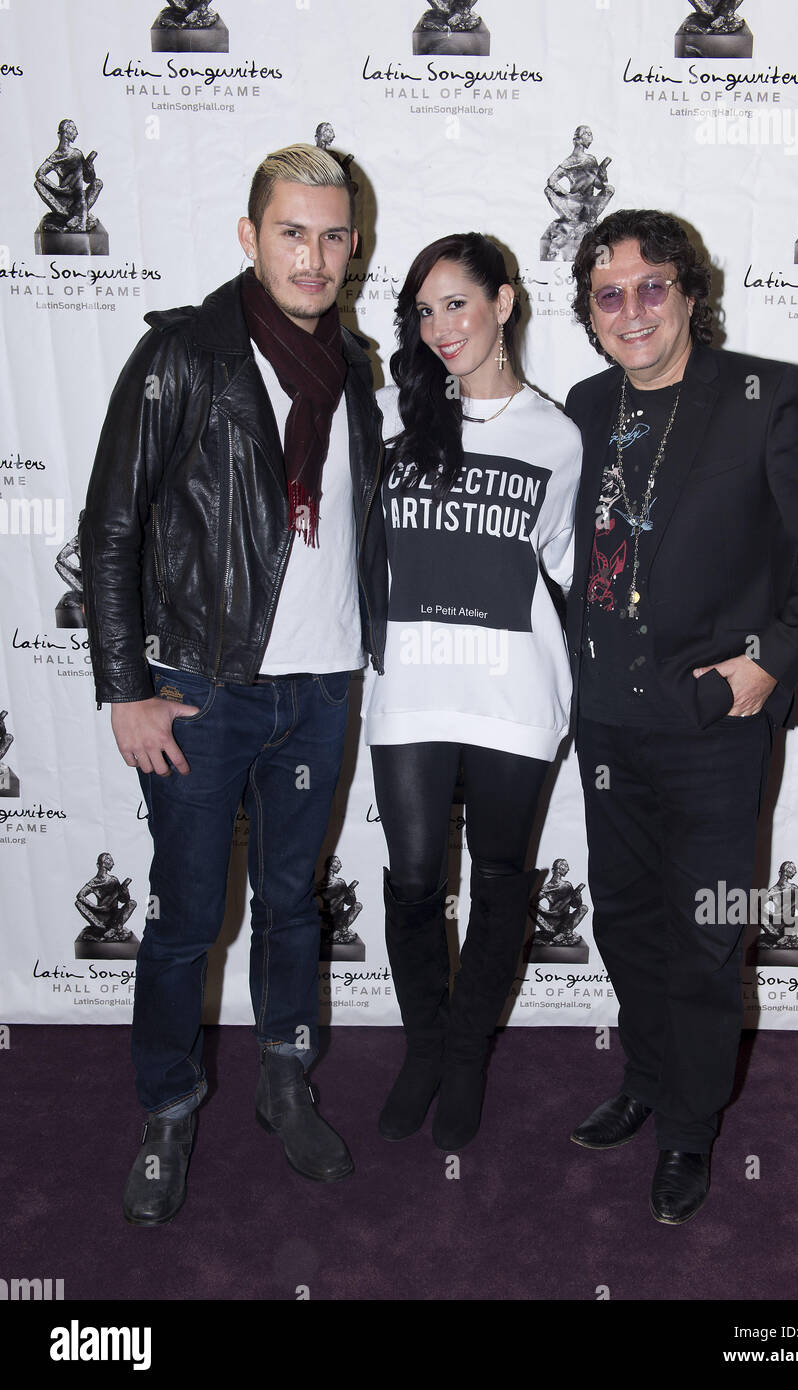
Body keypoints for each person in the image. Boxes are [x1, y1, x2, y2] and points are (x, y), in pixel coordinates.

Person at [79, 143, 387, 1224]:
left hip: (318, 689)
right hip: (203, 690)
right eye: (291, 232)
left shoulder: (355, 365)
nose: (313, 256)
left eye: (332, 235)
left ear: (355, 245)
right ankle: (167, 1109)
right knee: (181, 918)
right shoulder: (184, 356)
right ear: (249, 237)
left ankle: (285, 1079)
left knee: (293, 908)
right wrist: (127, 687)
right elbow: (111, 527)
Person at [564, 208, 798, 1223]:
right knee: (623, 920)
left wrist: (765, 666)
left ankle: (690, 1130)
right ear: (588, 313)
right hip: (605, 720)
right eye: (609, 293)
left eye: (653, 286)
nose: (632, 309)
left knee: (700, 936)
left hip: (711, 722)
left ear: (691, 292)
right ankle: (647, 1077)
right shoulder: (583, 403)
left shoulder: (767, 396)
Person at [364, 232, 582, 1150]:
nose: (439, 326)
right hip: (411, 688)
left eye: (456, 302)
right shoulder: (387, 417)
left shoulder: (559, 436)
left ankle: (466, 1056)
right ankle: (424, 1047)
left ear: (504, 301)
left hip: (515, 695)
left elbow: (570, 575)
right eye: (423, 310)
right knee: (414, 886)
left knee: (498, 882)